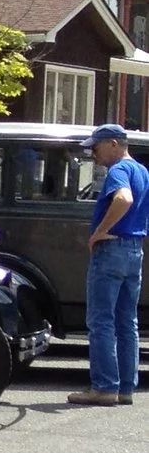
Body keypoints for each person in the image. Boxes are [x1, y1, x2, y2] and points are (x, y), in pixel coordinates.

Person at [69, 123, 149, 406]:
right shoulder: (142, 171)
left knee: (101, 320)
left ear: (114, 143)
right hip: (134, 249)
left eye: (97, 146)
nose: (93, 153)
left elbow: (123, 198)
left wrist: (100, 231)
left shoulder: (119, 171)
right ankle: (125, 388)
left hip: (112, 248)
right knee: (128, 321)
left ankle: (104, 387)